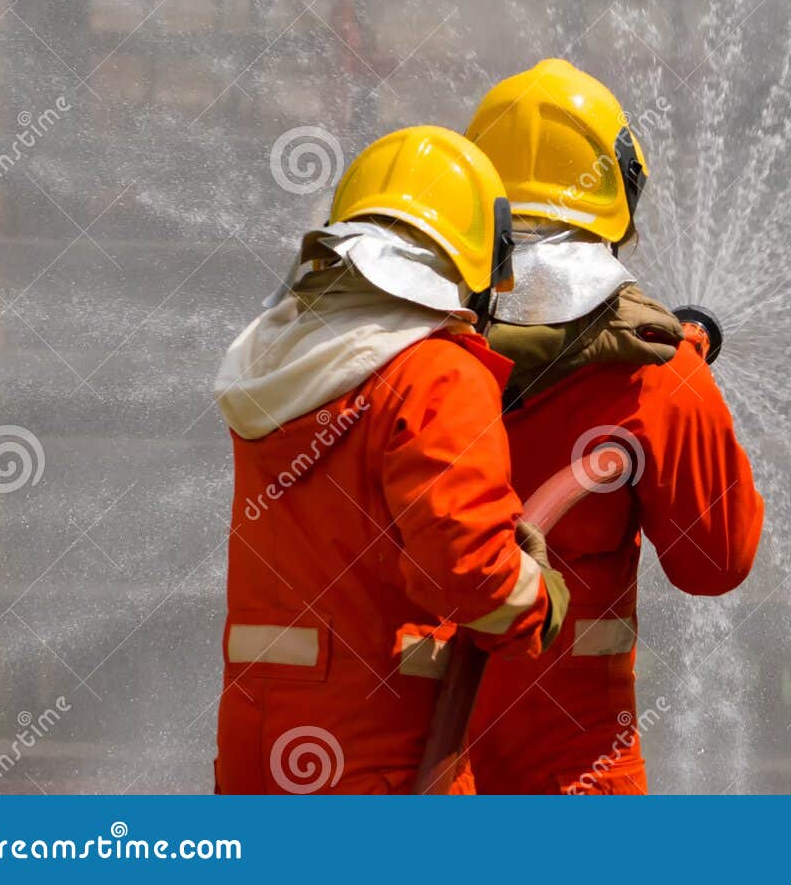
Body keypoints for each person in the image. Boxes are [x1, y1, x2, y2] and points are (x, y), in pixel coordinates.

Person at [212, 125, 569, 795]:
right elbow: (468, 572)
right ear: (468, 264)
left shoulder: (276, 360)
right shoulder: (435, 373)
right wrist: (536, 597)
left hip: (253, 742)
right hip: (377, 752)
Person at [460, 59, 764, 794]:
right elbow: (713, 563)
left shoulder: (404, 351)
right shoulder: (657, 372)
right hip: (574, 772)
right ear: (618, 194)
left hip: (409, 760)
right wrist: (686, 391)